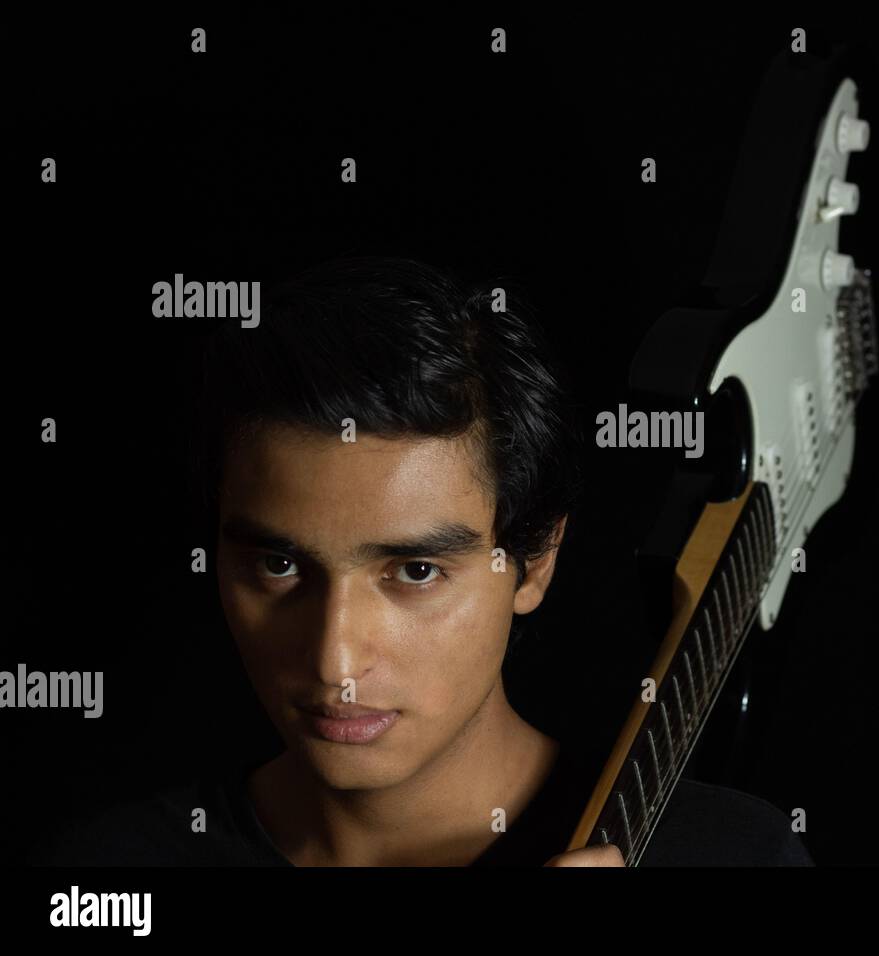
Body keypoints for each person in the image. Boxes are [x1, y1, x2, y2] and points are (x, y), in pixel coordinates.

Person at [29, 257, 813, 867]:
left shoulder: (726, 854)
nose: (334, 659)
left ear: (533, 564)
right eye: (277, 565)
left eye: (415, 572)